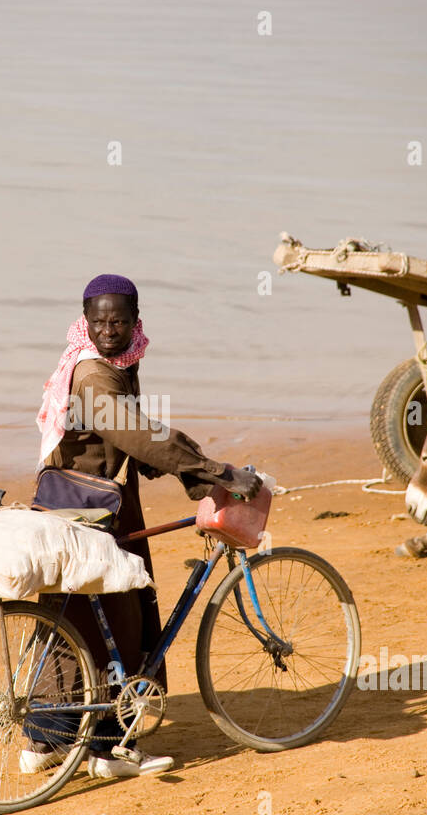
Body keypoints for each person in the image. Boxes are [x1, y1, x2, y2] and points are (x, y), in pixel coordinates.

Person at [24, 273, 261, 779]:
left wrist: (184, 472)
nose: (109, 330)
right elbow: (139, 433)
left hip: (82, 499)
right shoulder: (94, 374)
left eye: (119, 320)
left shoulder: (120, 362)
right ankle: (108, 750)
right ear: (84, 322)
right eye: (99, 321)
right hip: (92, 509)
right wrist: (213, 471)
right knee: (120, 618)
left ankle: (44, 739)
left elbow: (133, 440)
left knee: (69, 622)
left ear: (136, 321)